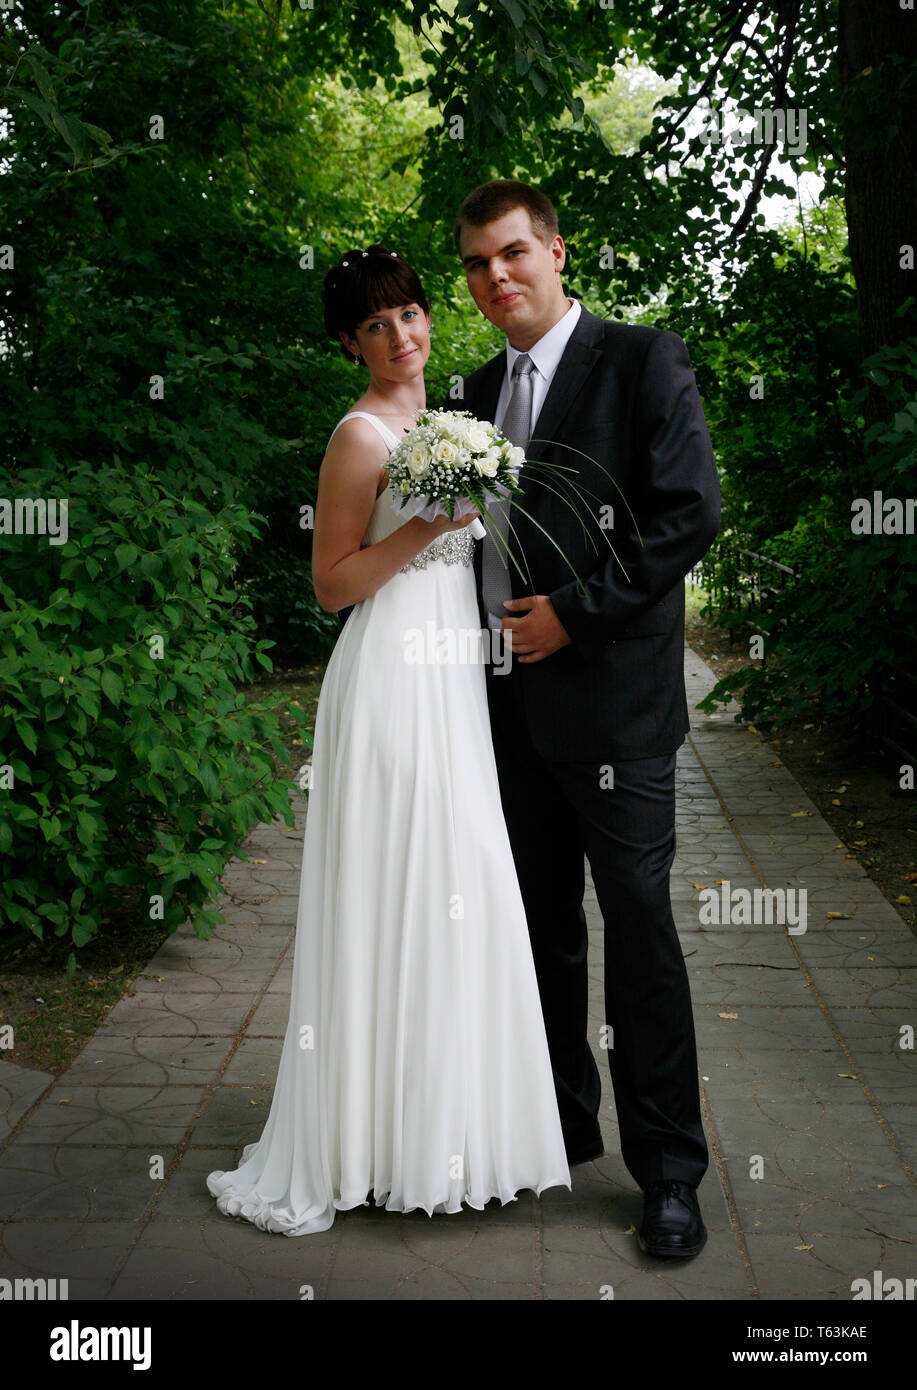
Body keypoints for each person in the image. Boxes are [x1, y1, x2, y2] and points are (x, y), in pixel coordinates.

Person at [206, 244, 571, 1234]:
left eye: (409, 313)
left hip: (453, 675)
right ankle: (360, 1142)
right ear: (348, 342)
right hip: (388, 681)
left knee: (459, 889)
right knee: (401, 888)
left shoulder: (448, 420)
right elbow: (330, 583)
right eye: (376, 324)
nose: (401, 334)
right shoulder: (362, 436)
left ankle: (440, 1134)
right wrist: (425, 527)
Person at [452, 180, 721, 1258]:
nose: (495, 277)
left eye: (512, 253)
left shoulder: (640, 359)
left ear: (557, 252)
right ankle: (555, 1129)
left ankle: (667, 1173)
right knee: (538, 934)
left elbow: (685, 514)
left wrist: (573, 613)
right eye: (474, 264)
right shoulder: (468, 392)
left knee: (639, 931)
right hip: (500, 711)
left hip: (614, 710)